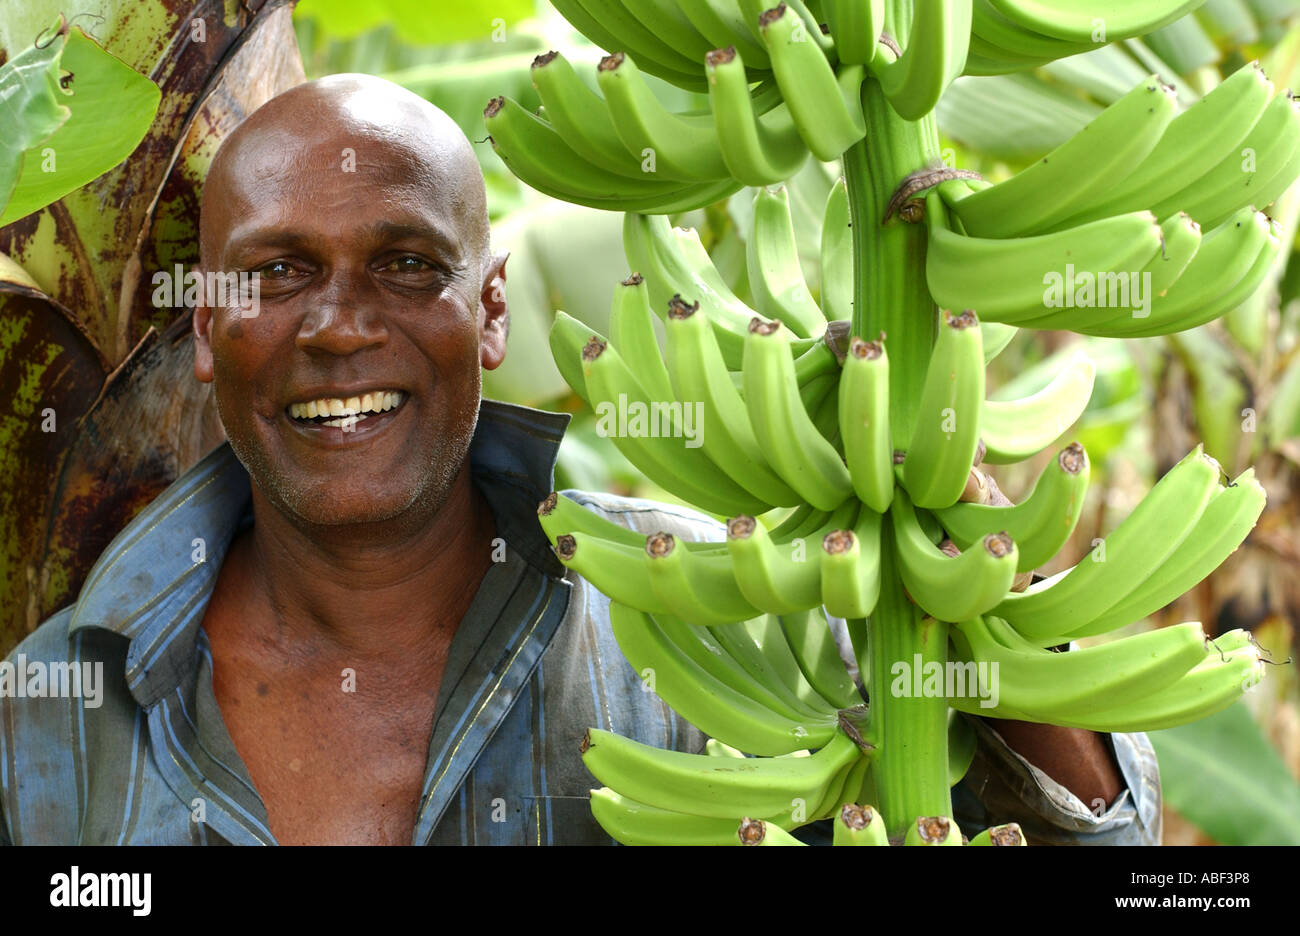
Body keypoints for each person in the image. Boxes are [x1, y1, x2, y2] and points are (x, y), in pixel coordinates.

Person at [0, 74, 1160, 846]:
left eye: (407, 263)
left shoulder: (726, 613)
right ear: (207, 327)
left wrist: (969, 563)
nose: (340, 327)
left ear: (493, 309)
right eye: (278, 273)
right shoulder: (50, 715)